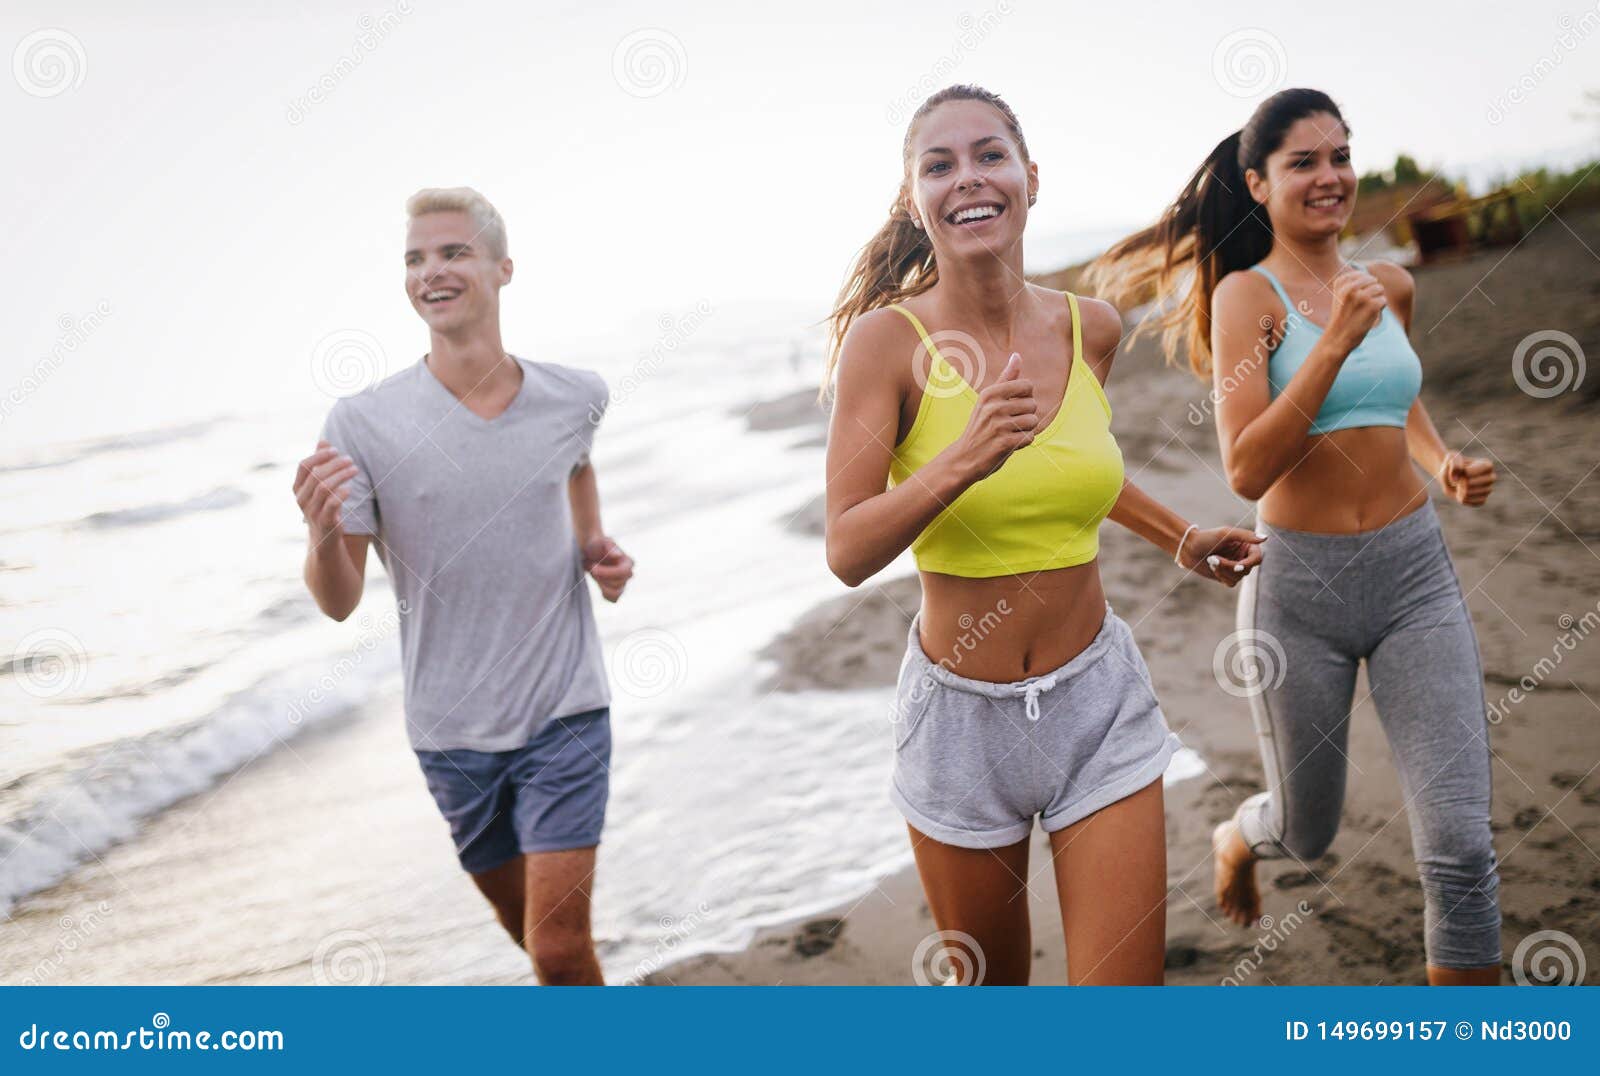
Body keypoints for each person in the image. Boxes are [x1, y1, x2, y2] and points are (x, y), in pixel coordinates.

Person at [822, 85, 1265, 985]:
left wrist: (1179, 537)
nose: (968, 179)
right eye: (938, 165)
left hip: (1098, 704)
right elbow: (847, 550)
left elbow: (1073, 472)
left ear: (1031, 177)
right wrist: (958, 463)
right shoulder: (885, 344)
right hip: (958, 727)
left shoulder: (1087, 326)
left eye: (990, 155)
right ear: (915, 199)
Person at [1089, 88, 1501, 984]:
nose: (1331, 177)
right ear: (1258, 182)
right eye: (1303, 162)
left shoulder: (1388, 286)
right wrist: (1331, 346)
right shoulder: (1248, 297)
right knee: (1305, 830)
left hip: (1414, 577)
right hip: (1298, 594)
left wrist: (1442, 462)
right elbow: (1246, 469)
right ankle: (1238, 836)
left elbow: (1398, 400)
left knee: (1463, 850)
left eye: (1341, 156)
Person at [293, 187, 634, 985]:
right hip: (450, 733)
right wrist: (318, 535)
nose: (430, 271)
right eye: (415, 258)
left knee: (554, 948)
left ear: (501, 268)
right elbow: (338, 601)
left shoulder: (574, 394)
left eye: (452, 252)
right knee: (536, 938)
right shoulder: (361, 423)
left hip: (565, 712)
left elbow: (576, 466)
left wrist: (593, 546)